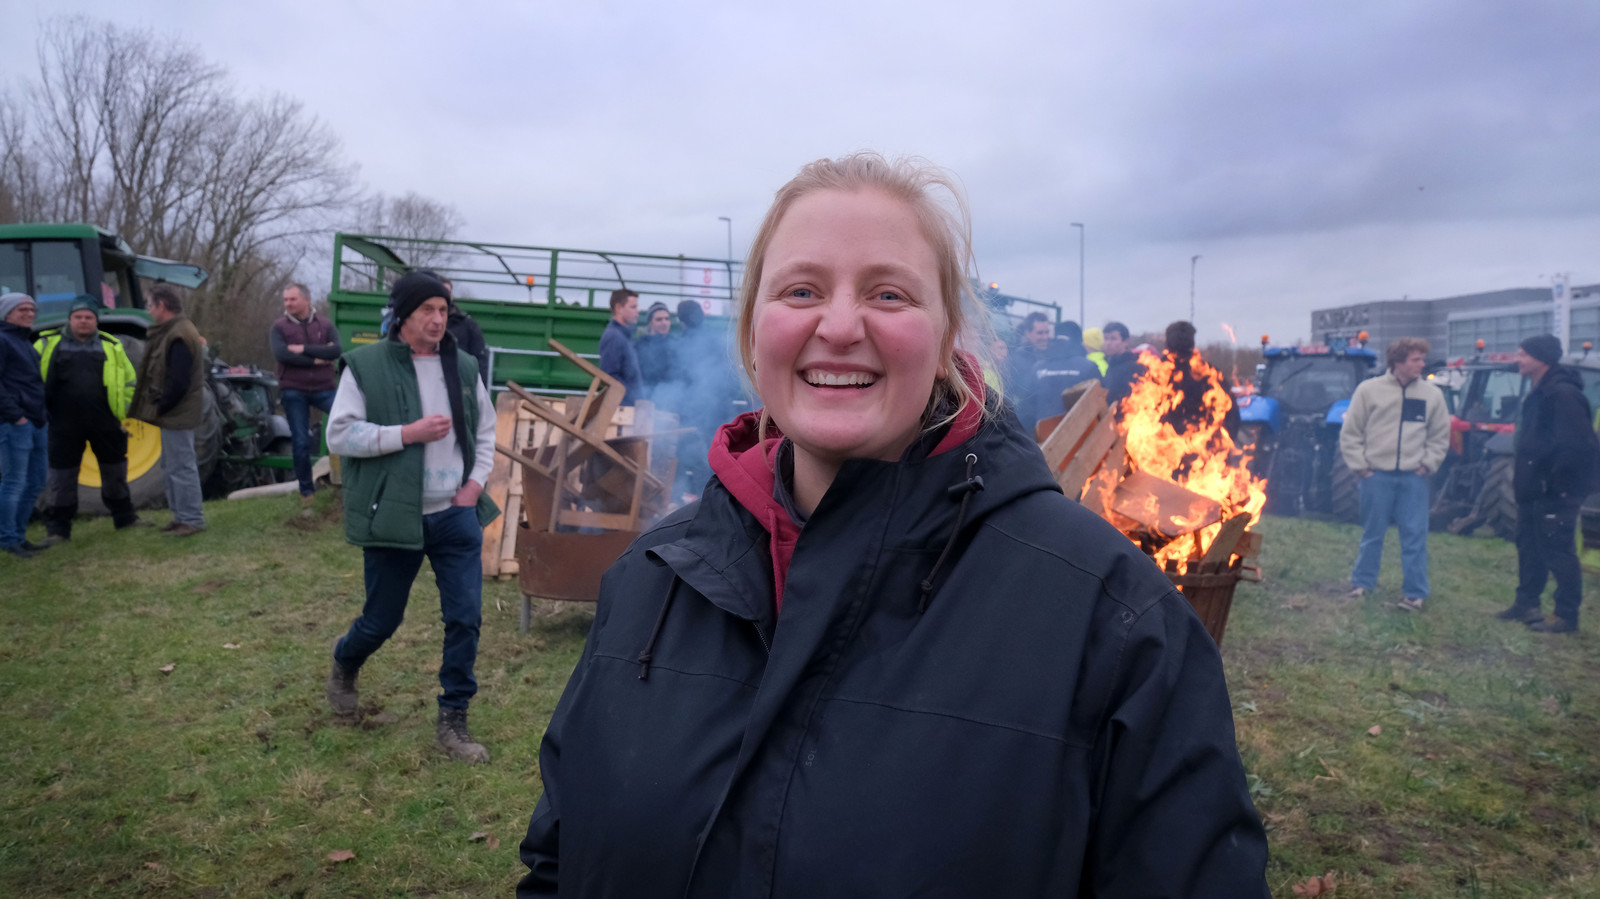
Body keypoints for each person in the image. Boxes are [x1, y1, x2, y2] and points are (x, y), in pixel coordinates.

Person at [516, 153, 1270, 897]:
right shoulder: (651, 579)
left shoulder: (1115, 621)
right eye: (802, 289)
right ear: (754, 331)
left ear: (946, 340)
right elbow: (558, 863)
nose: (840, 326)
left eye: (888, 294)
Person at [324, 271, 500, 762]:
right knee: (381, 620)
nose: (438, 320)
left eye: (444, 311)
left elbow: (486, 430)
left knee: (465, 618)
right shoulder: (365, 366)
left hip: (454, 514)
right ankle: (346, 659)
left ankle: (454, 720)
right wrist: (407, 433)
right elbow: (339, 436)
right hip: (395, 516)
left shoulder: (463, 367)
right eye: (428, 310)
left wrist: (474, 484)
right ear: (403, 315)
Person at [1496, 334, 1600, 633]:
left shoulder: (1562, 395)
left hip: (1556, 492)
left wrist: (1558, 485)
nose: (1518, 359)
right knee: (1529, 546)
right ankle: (1526, 603)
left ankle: (1566, 616)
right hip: (1533, 490)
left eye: (1523, 354)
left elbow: (1578, 446)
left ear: (1541, 359)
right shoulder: (1540, 391)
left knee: (1558, 550)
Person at [1339, 337, 1449, 609]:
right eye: (1416, 360)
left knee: (1414, 537)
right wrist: (1361, 467)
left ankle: (1415, 592)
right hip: (1376, 477)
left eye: (1422, 359)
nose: (1422, 365)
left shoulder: (1432, 395)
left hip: (1413, 479)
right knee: (1372, 535)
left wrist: (1428, 463)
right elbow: (1351, 432)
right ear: (1398, 362)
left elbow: (1440, 435)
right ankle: (1362, 584)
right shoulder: (1369, 391)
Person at [36, 297, 148, 541]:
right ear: (70, 319)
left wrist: (124, 411)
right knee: (62, 478)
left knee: (115, 471)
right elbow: (32, 381)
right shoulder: (46, 344)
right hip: (62, 424)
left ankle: (125, 518)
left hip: (105, 422)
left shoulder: (112, 346)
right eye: (79, 317)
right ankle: (58, 529)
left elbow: (131, 382)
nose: (84, 321)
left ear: (96, 320)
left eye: (89, 317)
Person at [128, 286, 207, 537]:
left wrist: (161, 407)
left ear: (162, 306)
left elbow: (179, 381)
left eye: (150, 305)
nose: (148, 311)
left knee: (182, 467)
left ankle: (192, 519)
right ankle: (179, 517)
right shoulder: (173, 331)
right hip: (173, 413)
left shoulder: (180, 334)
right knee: (170, 466)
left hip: (177, 413)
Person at [269, 282, 343, 500]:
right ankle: (306, 492)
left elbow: (337, 350)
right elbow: (282, 355)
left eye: (292, 299)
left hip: (324, 388)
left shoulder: (325, 325)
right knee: (300, 442)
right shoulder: (279, 327)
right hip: (294, 389)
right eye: (286, 300)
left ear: (306, 300)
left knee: (351, 423)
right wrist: (318, 359)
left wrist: (303, 350)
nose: (288, 303)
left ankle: (347, 481)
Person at [0, 292, 50, 558]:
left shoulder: (26, 342)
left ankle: (19, 535)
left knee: (35, 481)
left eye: (32, 310)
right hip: (15, 423)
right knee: (14, 481)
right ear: (7, 313)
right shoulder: (3, 340)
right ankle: (8, 539)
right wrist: (15, 416)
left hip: (37, 421)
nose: (29, 314)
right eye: (22, 310)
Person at [598, 288, 642, 404]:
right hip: (622, 410)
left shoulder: (623, 337)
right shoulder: (614, 337)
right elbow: (610, 377)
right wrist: (633, 398)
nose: (638, 311)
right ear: (619, 308)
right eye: (633, 307)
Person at [634, 302, 676, 397]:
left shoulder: (676, 345)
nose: (664, 323)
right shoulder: (640, 345)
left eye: (667, 319)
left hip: (672, 400)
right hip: (647, 398)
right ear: (650, 323)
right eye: (659, 319)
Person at [1101, 320, 1141, 407]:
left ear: (1125, 342)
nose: (1108, 343)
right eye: (1106, 338)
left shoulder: (1134, 367)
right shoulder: (1110, 367)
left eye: (1113, 338)